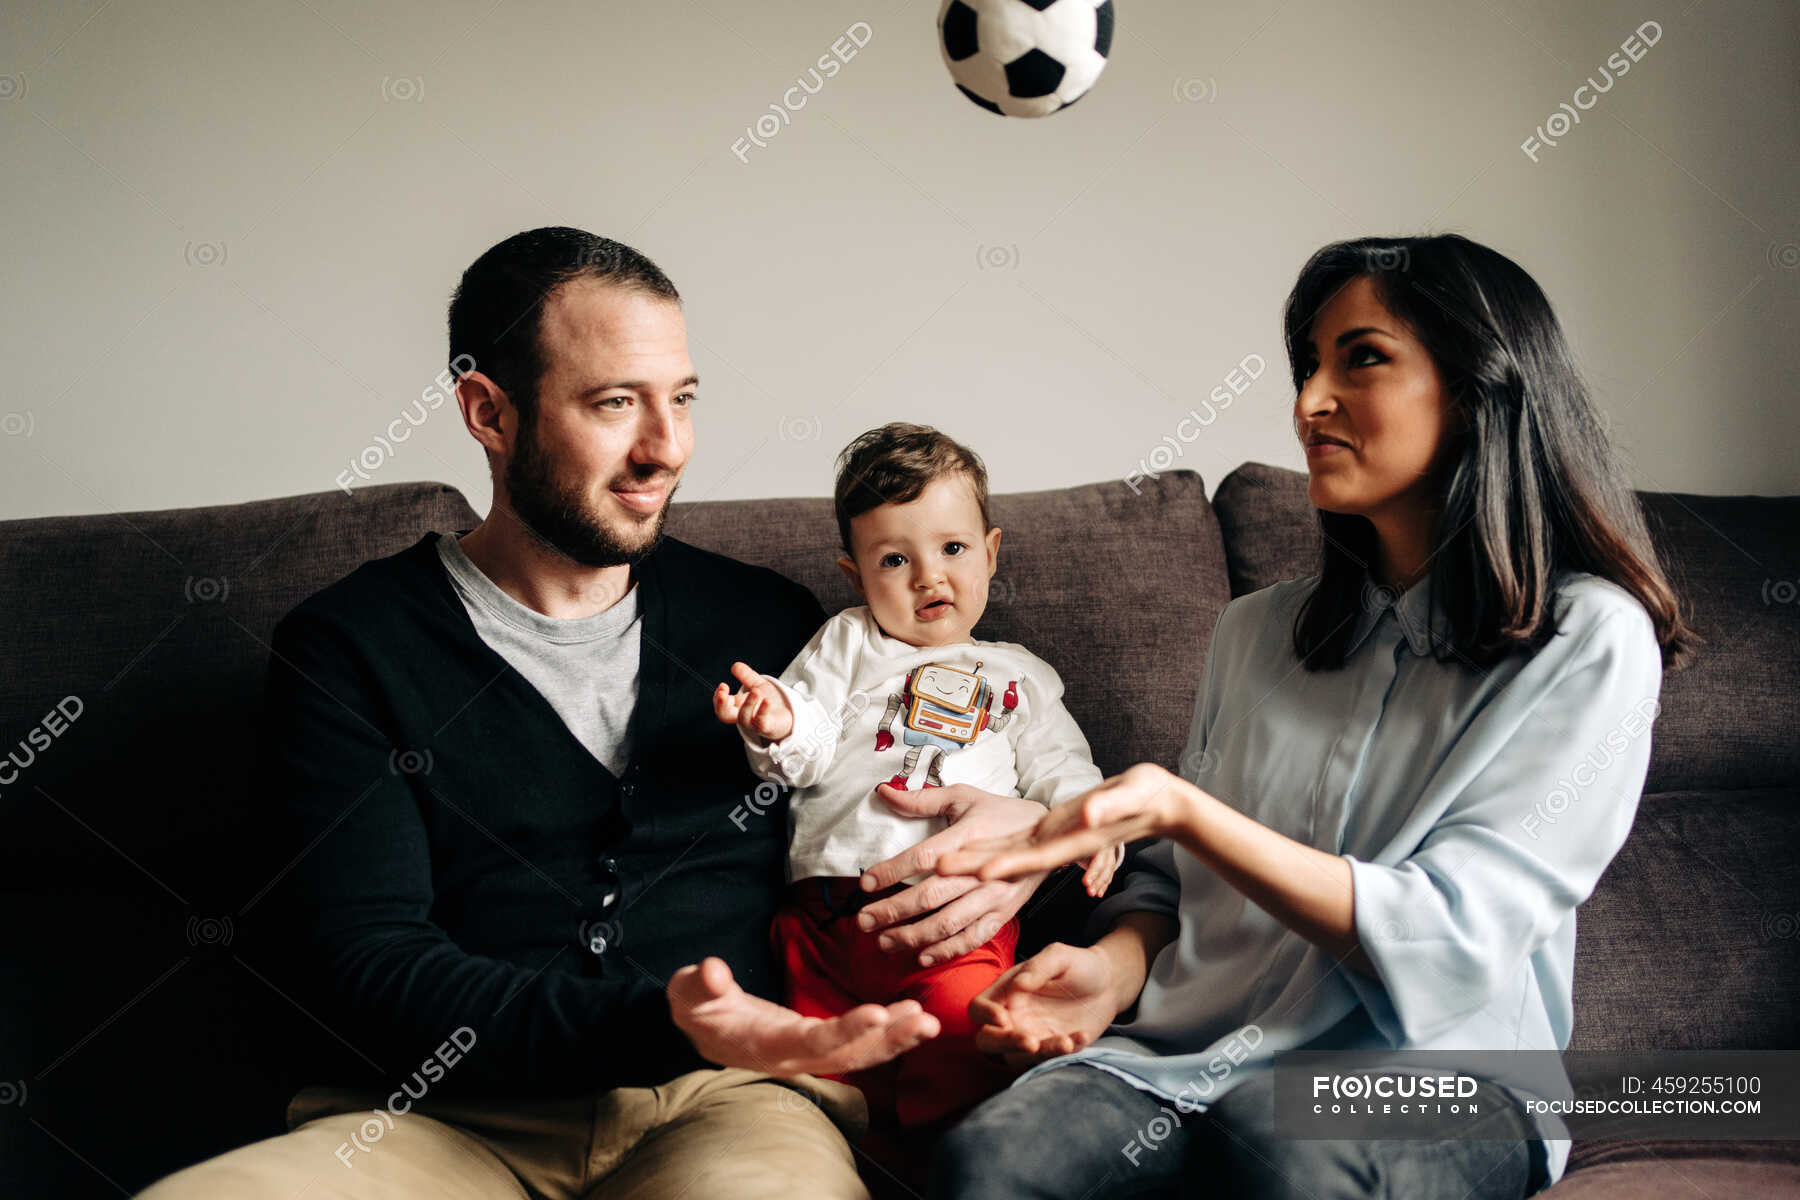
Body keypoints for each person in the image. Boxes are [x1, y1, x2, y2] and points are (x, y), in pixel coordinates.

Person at [135, 228, 1049, 1200]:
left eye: (681, 400)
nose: (666, 449)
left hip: (729, 1111)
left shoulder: (772, 625)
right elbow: (368, 962)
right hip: (431, 1123)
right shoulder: (350, 646)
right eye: (615, 403)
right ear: (489, 412)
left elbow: (913, 775)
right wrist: (663, 1023)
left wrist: (1034, 827)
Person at [924, 234, 1697, 1199]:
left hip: (1447, 1084)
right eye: (1306, 366)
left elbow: (1453, 940)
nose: (1308, 403)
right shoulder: (1253, 633)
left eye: (1361, 358)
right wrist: (1113, 973)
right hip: (1181, 1061)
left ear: (1477, 389)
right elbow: (1171, 890)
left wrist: (1181, 809)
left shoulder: (1588, 636)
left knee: (1281, 1148)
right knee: (990, 1163)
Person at [712, 423, 1123, 1167]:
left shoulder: (1019, 674)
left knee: (961, 1044)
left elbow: (1062, 769)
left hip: (957, 920)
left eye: (952, 549)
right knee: (825, 1086)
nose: (929, 577)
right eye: (895, 560)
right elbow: (805, 746)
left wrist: (1092, 827)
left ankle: (958, 1167)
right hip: (825, 923)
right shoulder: (848, 642)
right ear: (856, 576)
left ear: (991, 553)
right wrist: (778, 721)